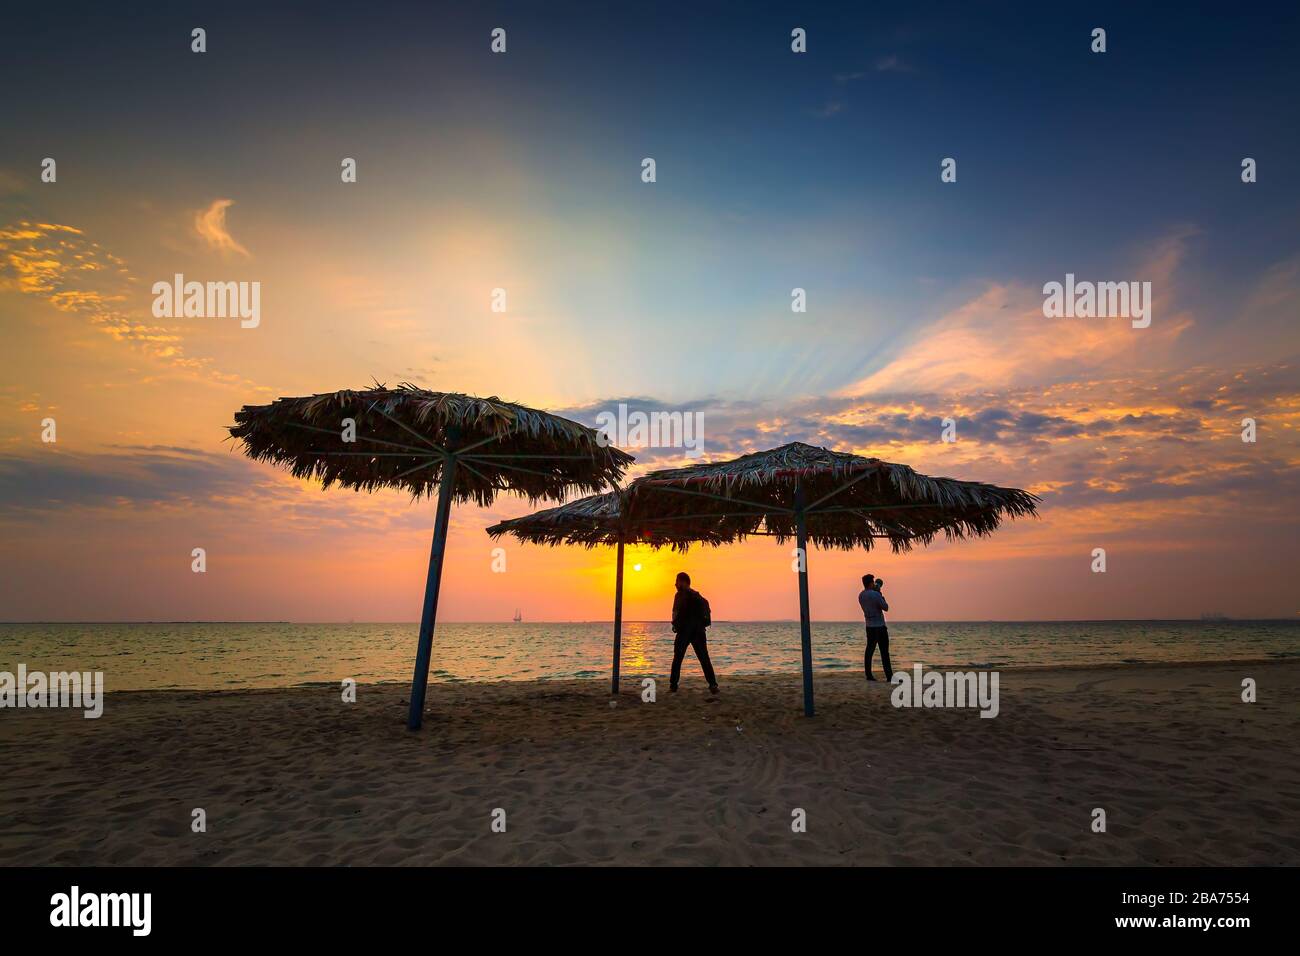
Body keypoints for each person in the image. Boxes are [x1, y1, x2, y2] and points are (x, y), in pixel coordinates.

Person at [670, 572, 718, 694]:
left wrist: (675, 625)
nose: (675, 584)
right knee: (704, 658)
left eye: (678, 581)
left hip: (685, 631)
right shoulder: (697, 596)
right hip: (698, 631)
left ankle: (673, 686)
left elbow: (675, 612)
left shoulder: (679, 595)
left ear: (684, 582)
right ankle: (713, 685)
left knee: (677, 659)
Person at [858, 573, 893, 681]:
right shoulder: (876, 595)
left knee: (869, 651)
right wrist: (881, 595)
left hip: (869, 626)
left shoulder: (861, 595)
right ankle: (889, 676)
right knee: (884, 652)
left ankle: (868, 675)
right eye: (873, 582)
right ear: (871, 583)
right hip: (880, 626)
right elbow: (885, 607)